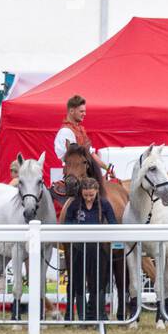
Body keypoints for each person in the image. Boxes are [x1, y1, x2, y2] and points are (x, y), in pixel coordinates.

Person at [64, 177, 116, 322]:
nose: (88, 198)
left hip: (98, 249)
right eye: (85, 195)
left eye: (91, 195)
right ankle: (83, 317)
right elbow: (67, 222)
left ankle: (98, 314)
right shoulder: (75, 204)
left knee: (99, 281)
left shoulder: (104, 204)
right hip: (79, 249)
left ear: (97, 192)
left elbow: (113, 222)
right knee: (78, 281)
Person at [54, 95, 110, 178]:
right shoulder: (66, 132)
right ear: (72, 111)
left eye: (84, 111)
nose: (84, 114)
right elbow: (73, 159)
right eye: (81, 111)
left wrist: (108, 168)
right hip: (74, 178)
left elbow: (92, 154)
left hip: (84, 175)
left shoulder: (79, 130)